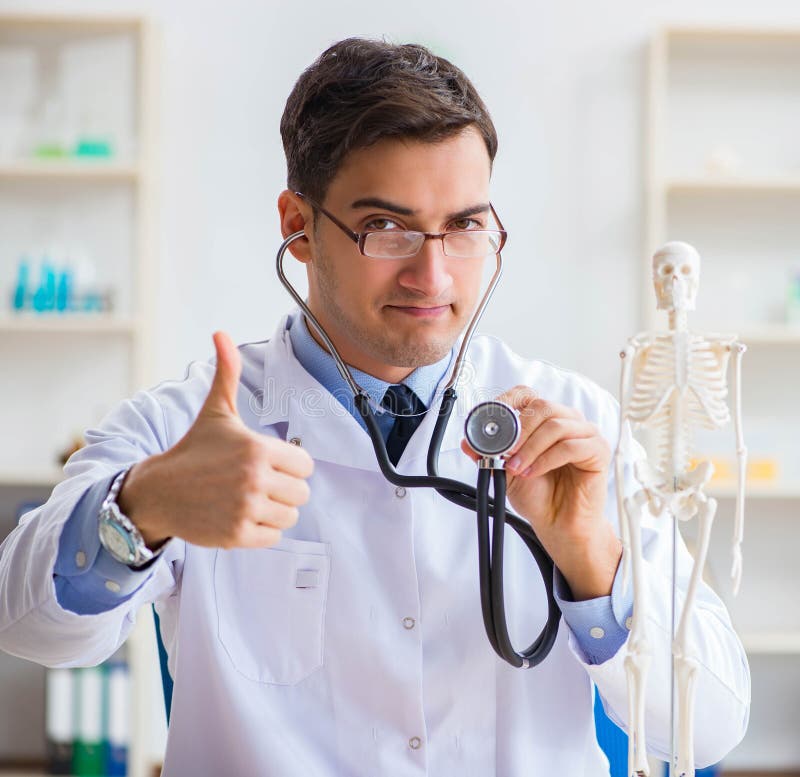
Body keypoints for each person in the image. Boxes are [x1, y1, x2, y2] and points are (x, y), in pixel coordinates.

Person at [0, 38, 749, 776]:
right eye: (385, 227)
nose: (434, 274)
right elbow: (28, 622)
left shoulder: (576, 426)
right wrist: (143, 506)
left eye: (465, 226)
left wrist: (593, 557)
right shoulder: (185, 427)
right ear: (297, 224)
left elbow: (711, 725)